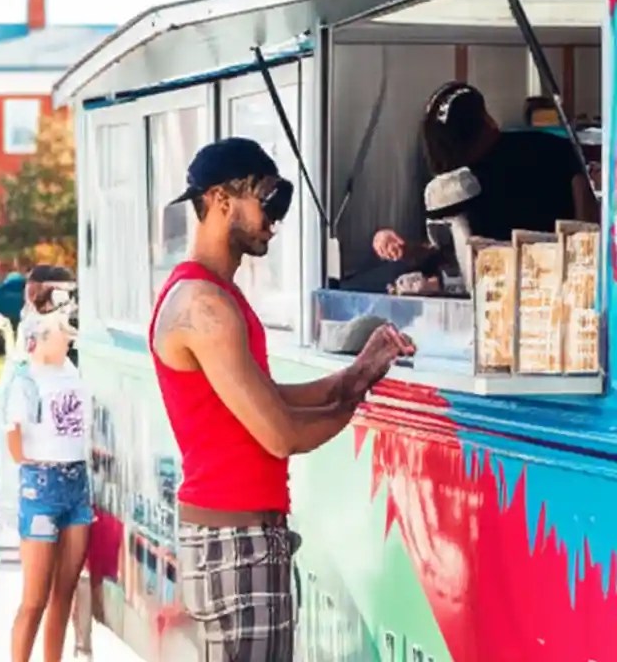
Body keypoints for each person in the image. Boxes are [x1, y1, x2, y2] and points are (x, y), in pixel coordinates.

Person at [149, 138, 414, 659]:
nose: (276, 219)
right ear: (223, 199)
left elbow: (267, 399)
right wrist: (353, 396)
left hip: (235, 537)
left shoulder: (208, 295)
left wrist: (354, 375)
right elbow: (280, 434)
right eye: (269, 200)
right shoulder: (205, 306)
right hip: (237, 542)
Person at [373, 81, 597, 264]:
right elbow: (589, 223)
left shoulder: (460, 187)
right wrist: (406, 249)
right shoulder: (555, 147)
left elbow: (451, 254)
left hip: (527, 287)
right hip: (559, 284)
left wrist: (407, 249)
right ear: (487, 119)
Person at [3, 308, 90, 662]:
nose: (67, 336)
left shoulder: (73, 373)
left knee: (64, 592)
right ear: (38, 339)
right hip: (42, 484)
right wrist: (36, 465)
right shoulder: (27, 380)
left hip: (76, 482)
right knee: (35, 596)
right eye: (58, 330)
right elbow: (14, 438)